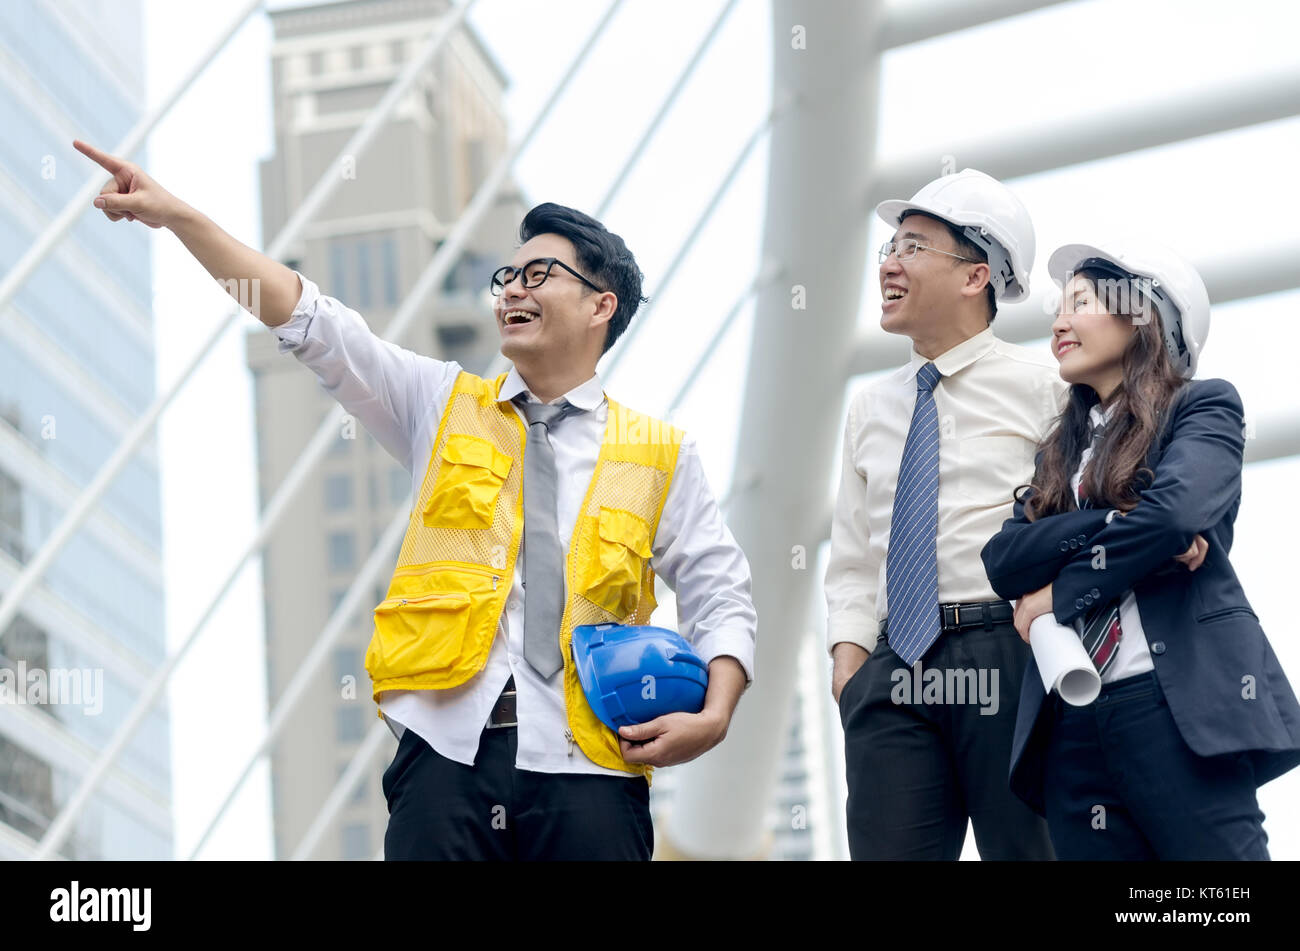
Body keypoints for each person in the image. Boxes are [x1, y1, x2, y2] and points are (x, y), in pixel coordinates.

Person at [73, 139, 757, 861]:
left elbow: (721, 590)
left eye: (539, 274)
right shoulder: (440, 404)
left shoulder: (662, 454)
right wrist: (178, 216)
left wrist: (715, 713)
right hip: (447, 764)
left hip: (591, 774)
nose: (512, 291)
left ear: (601, 305)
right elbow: (309, 319)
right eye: (507, 276)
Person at [980, 239, 1300, 859]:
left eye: (1082, 301)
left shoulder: (1203, 407)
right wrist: (1121, 518)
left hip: (1174, 708)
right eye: (1058, 307)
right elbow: (1003, 561)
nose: (1059, 321)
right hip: (1071, 730)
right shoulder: (1059, 453)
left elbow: (1177, 513)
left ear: (1143, 315)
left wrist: (1058, 591)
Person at [825, 168, 1064, 860]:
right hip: (893, 667)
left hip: (1008, 655)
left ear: (973, 276)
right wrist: (850, 668)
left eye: (912, 247)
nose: (889, 264)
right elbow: (853, 557)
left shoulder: (1043, 391)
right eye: (888, 249)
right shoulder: (870, 407)